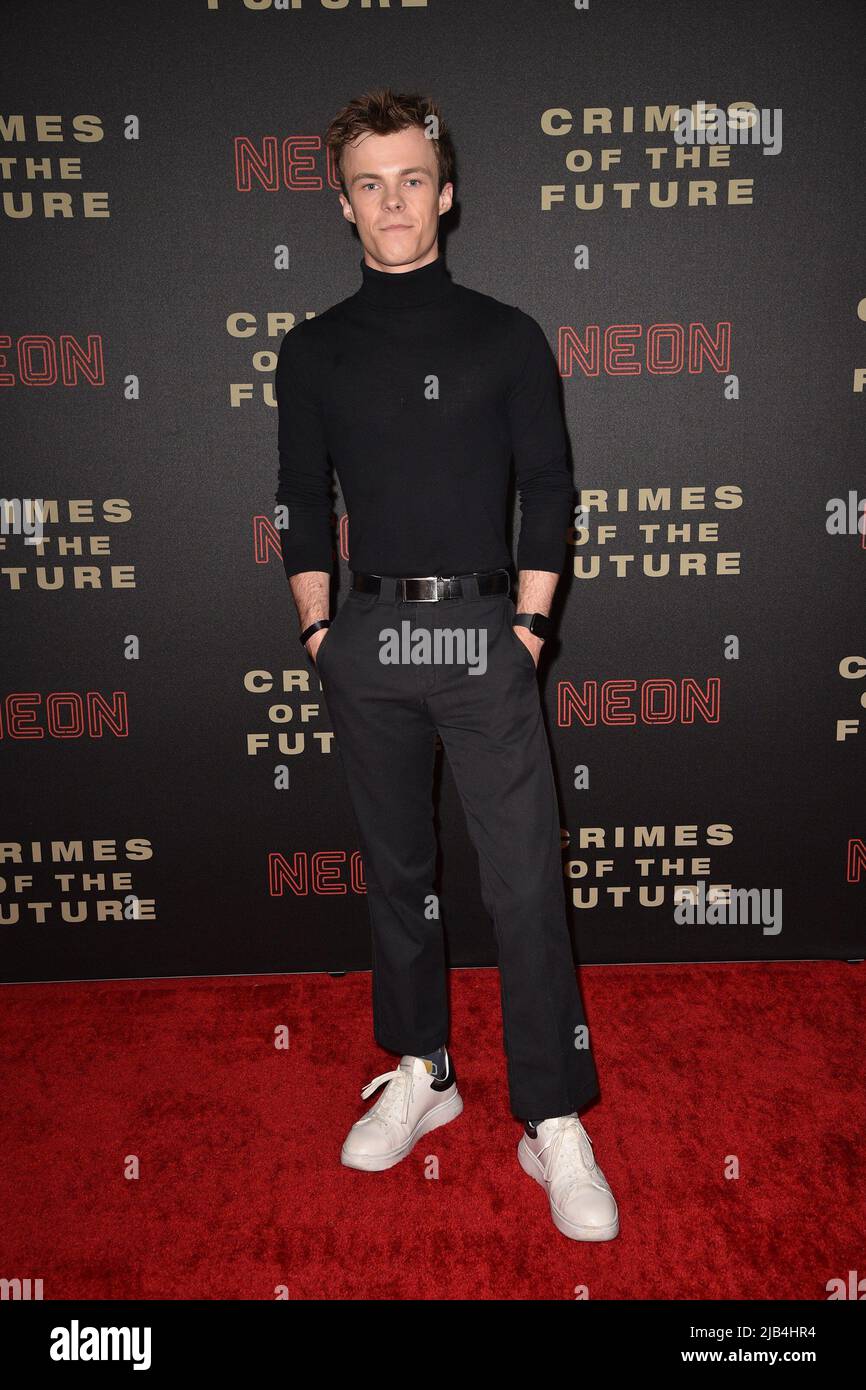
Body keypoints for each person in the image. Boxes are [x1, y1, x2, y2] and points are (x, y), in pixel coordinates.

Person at [274, 87, 618, 1242]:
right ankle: (424, 1070)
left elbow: (549, 487)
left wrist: (525, 629)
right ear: (342, 204)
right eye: (367, 182)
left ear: (446, 192)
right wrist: (321, 631)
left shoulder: (506, 336)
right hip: (368, 638)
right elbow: (300, 499)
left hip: (480, 640)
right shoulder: (313, 349)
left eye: (410, 177)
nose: (391, 200)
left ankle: (551, 1117)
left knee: (523, 881)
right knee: (396, 874)